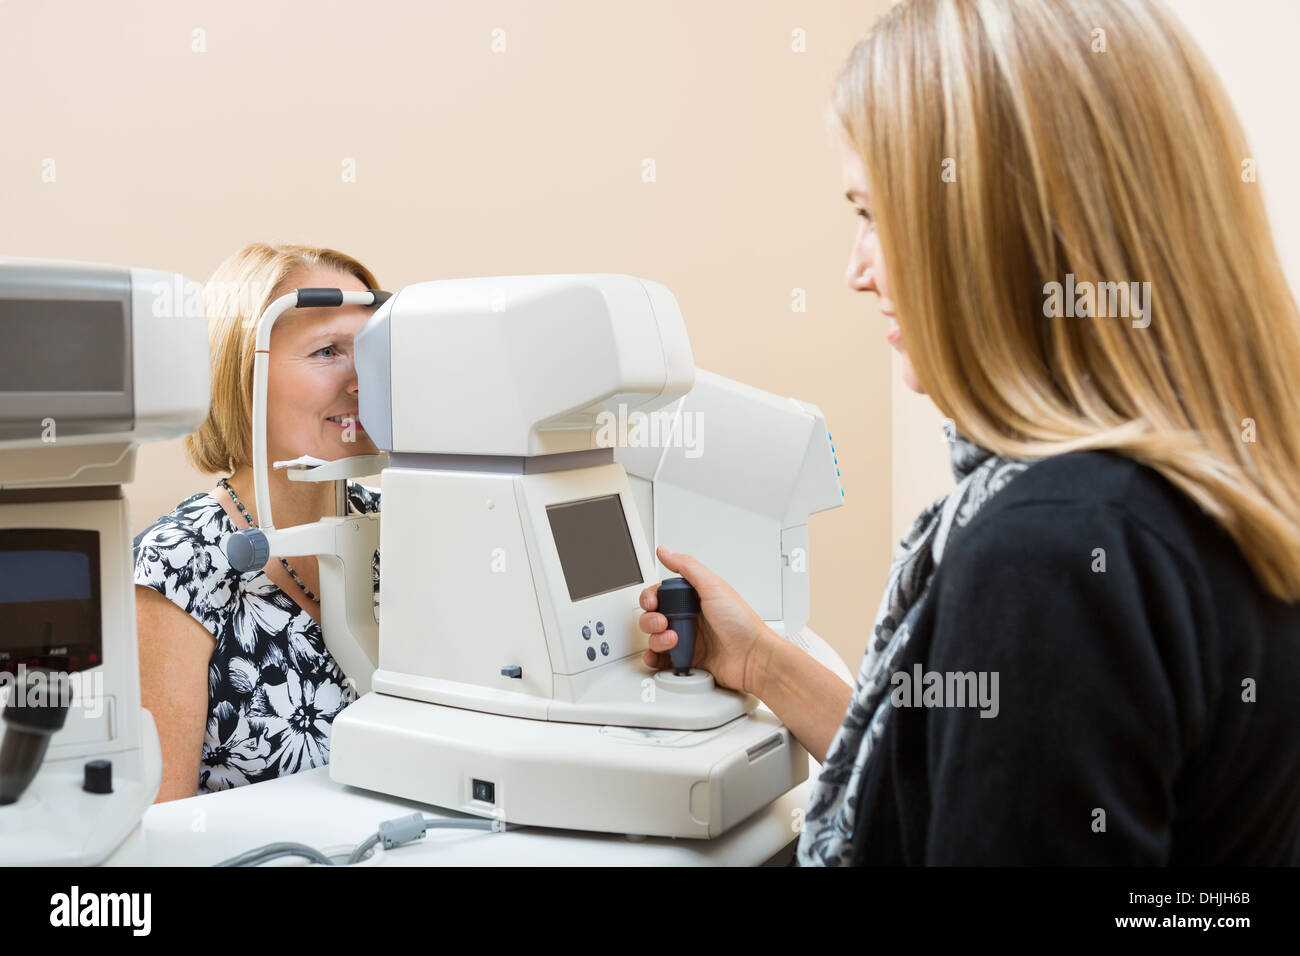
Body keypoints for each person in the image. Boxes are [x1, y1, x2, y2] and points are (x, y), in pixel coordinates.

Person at [639, 0, 1300, 864]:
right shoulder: (1201, 486)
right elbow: (975, 785)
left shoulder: (1053, 558)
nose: (856, 271)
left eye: (873, 215)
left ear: (994, 225)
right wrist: (763, 664)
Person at [133, 243, 385, 801]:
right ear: (241, 375)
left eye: (370, 351)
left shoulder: (407, 528)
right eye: (326, 352)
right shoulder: (177, 565)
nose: (362, 381)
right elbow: (159, 830)